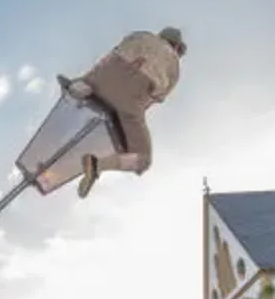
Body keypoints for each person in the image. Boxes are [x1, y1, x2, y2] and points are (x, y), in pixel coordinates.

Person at [58, 26, 186, 198]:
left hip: (98, 81)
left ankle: (79, 85)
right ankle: (98, 165)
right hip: (129, 101)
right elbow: (154, 98)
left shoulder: (141, 35)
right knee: (142, 160)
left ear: (160, 35)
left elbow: (110, 56)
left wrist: (89, 79)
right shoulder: (175, 67)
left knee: (99, 76)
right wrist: (128, 118)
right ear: (177, 47)